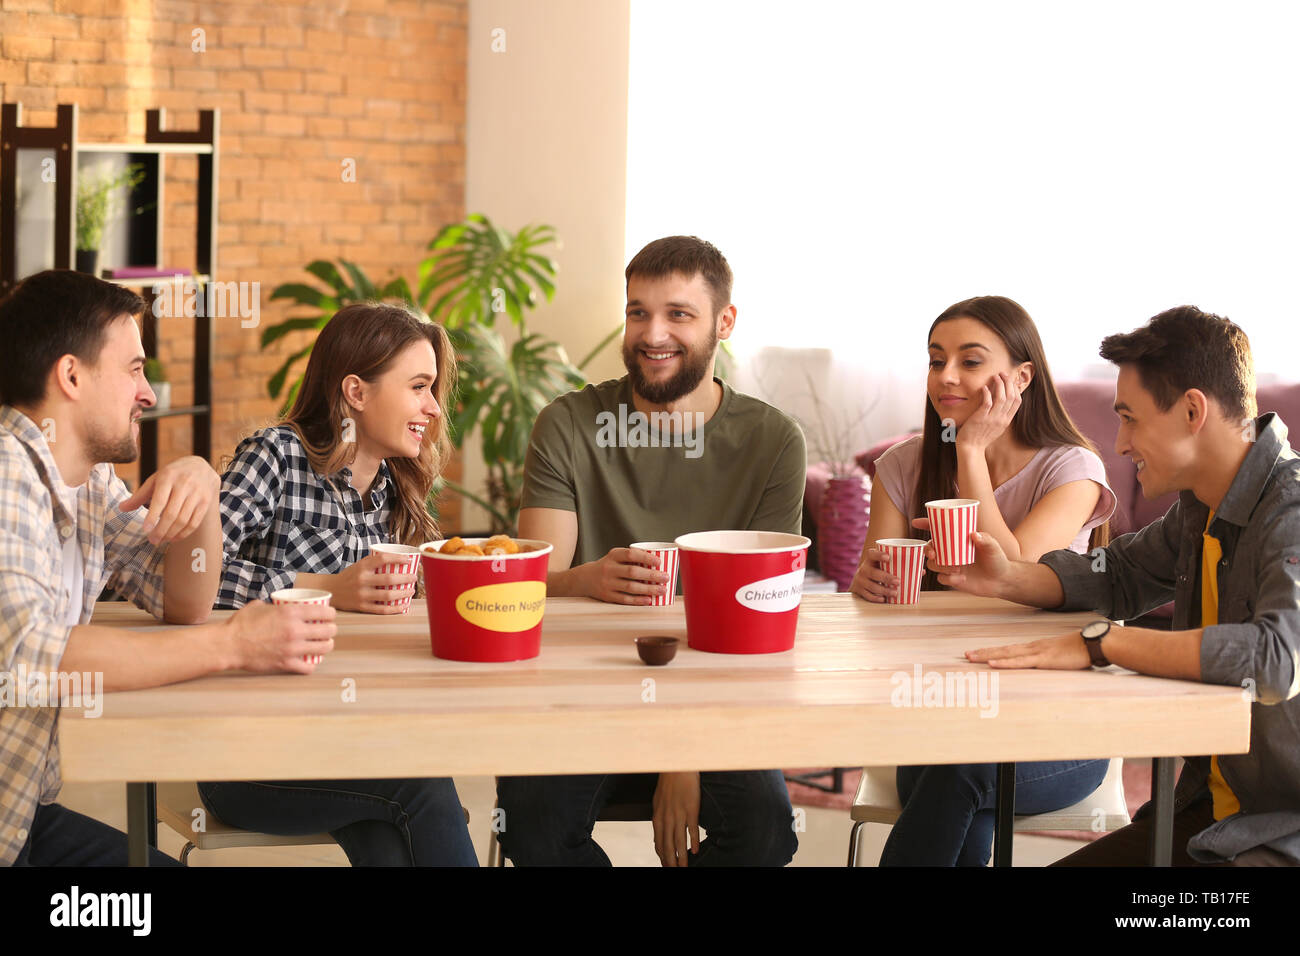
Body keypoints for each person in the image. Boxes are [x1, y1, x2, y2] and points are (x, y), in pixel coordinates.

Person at [932, 306, 1299, 866]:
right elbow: (1120, 573)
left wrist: (1102, 643)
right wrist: (1012, 578)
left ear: (1193, 410)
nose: (1121, 443)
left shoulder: (1290, 509)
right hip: (1212, 815)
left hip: (1280, 831)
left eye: (1130, 418)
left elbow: (1276, 660)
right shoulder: (1203, 504)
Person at [0, 270, 336, 867]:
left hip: (20, 818)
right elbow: (32, 657)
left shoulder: (89, 486)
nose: (149, 393)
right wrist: (233, 645)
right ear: (71, 375)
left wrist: (203, 487)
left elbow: (183, 601)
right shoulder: (6, 473)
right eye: (133, 369)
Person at [497, 236, 806, 867]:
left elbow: (760, 618)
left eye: (678, 314)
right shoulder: (569, 423)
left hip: (716, 703)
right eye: (638, 312)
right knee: (530, 826)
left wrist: (682, 747)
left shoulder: (772, 440)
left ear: (725, 323)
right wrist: (585, 580)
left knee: (767, 832)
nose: (652, 333)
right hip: (582, 691)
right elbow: (535, 583)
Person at [199, 302, 477, 866]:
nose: (433, 407)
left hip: (343, 738)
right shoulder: (276, 455)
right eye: (419, 387)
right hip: (249, 755)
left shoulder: (396, 491)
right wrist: (324, 585)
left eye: (434, 390)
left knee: (393, 841)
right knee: (420, 787)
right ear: (356, 391)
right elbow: (191, 575)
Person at [849, 295, 1117, 866]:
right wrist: (866, 587)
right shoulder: (901, 465)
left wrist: (969, 449)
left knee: (963, 770)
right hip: (937, 711)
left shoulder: (1072, 469)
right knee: (959, 774)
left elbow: (1015, 572)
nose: (946, 377)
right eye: (935, 359)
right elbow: (876, 607)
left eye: (970, 362)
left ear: (1021, 378)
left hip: (1056, 727)